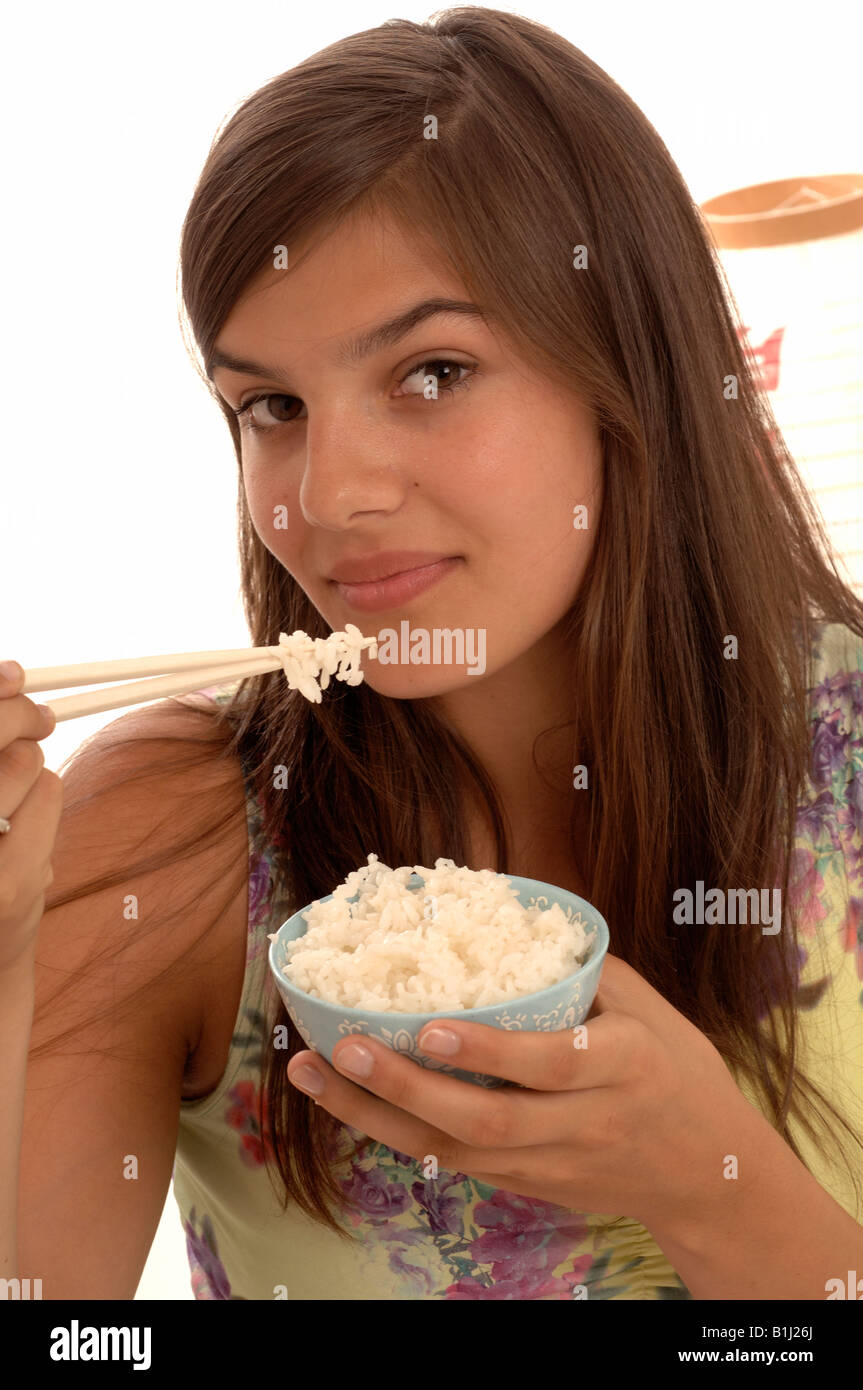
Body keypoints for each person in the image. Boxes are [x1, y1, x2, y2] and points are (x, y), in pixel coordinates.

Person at [4, 7, 863, 1301]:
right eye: (271, 407)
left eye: (431, 370)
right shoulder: (156, 836)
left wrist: (712, 1182)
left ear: (631, 366)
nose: (327, 492)